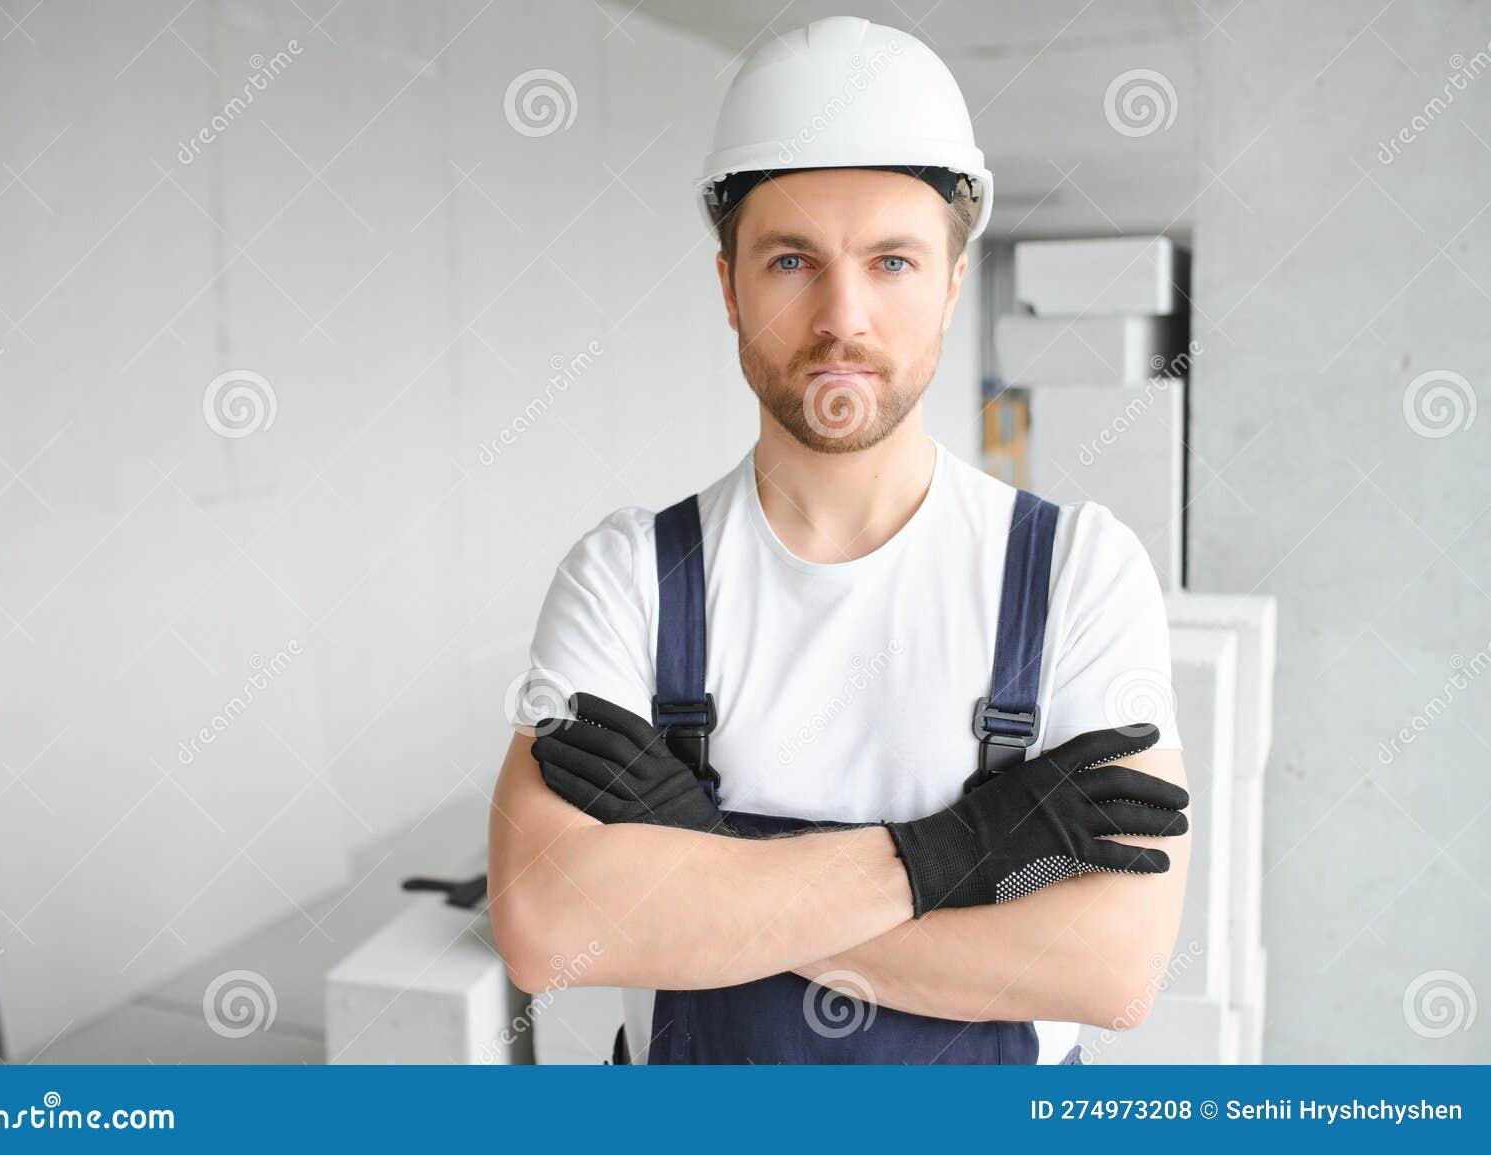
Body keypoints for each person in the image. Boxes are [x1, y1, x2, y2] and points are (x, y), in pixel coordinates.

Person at [488, 15, 1190, 1065]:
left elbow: (1110, 967)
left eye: (893, 262)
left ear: (952, 283)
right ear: (728, 287)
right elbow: (547, 931)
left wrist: (707, 869)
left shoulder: (1076, 573)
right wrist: (958, 855)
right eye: (789, 261)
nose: (841, 317)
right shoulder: (626, 576)